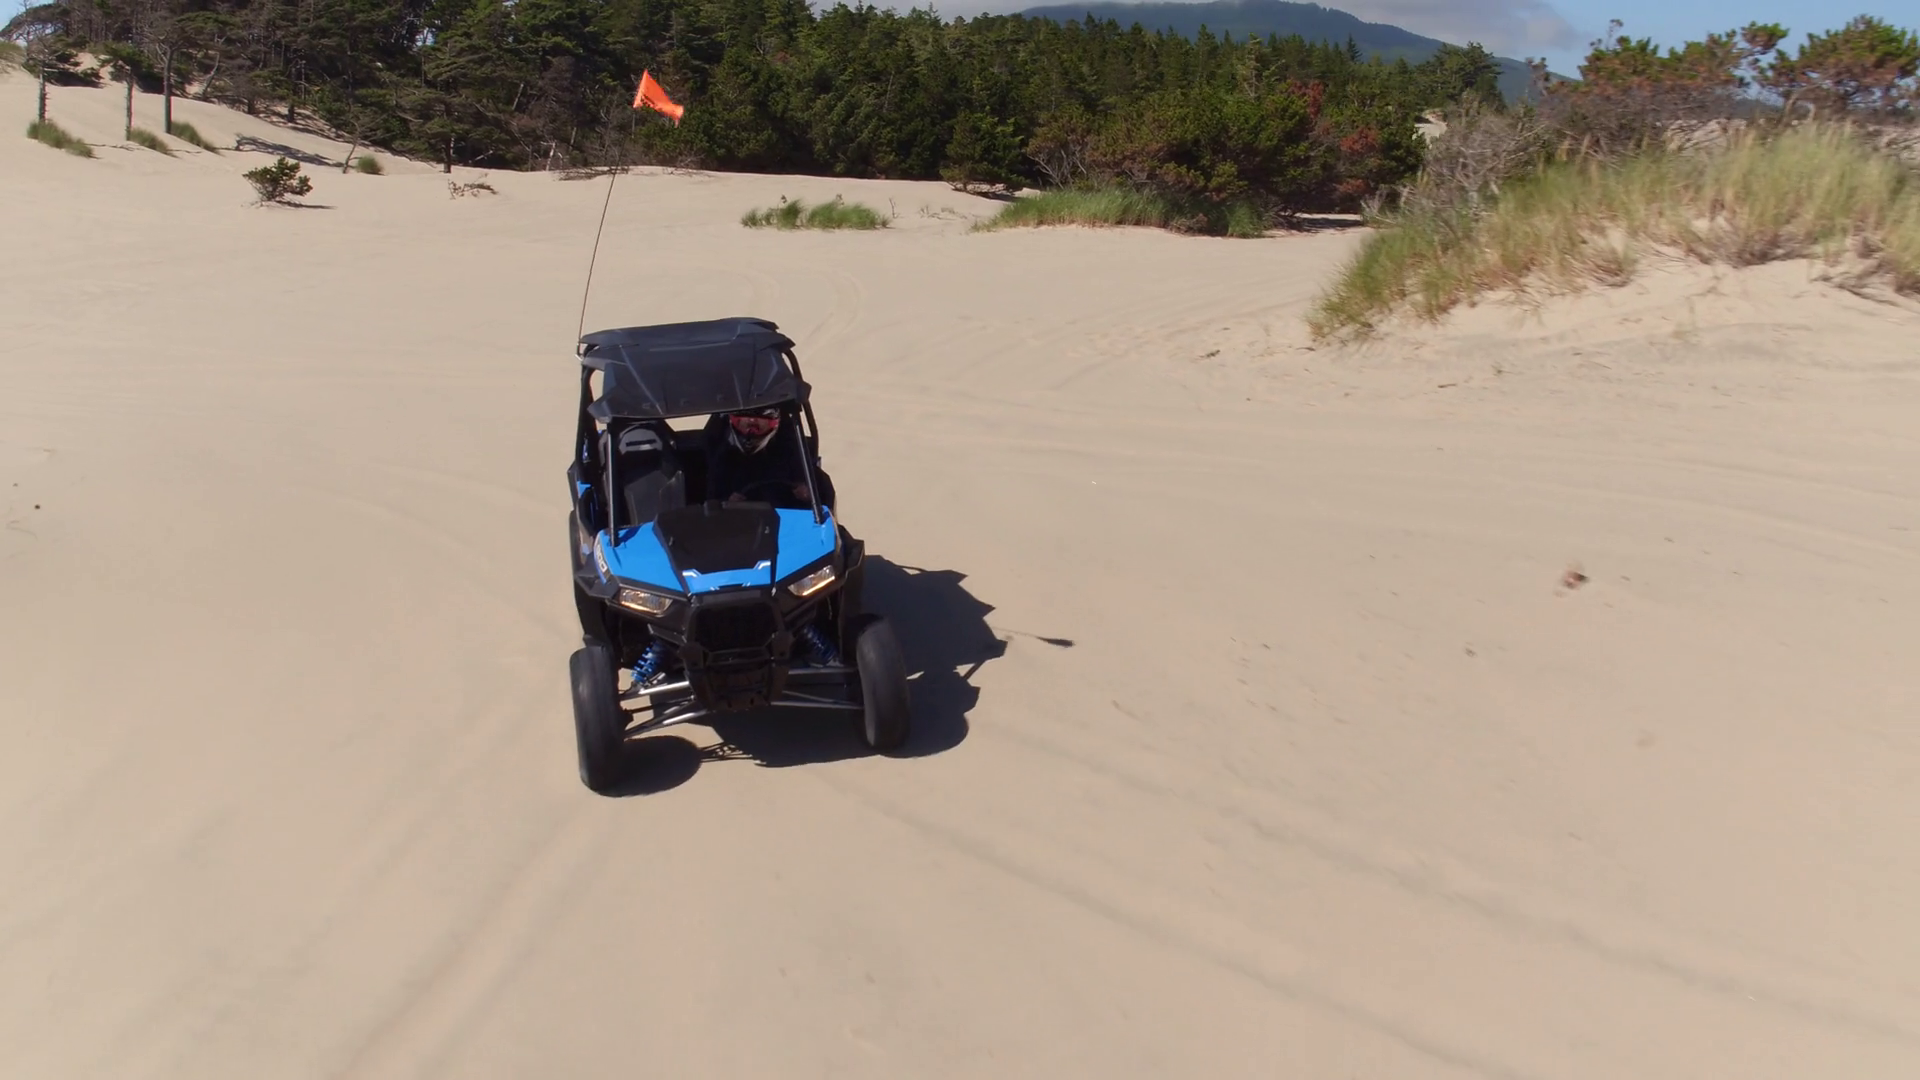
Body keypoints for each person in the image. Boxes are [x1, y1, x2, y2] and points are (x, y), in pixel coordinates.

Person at [703, 406, 835, 511]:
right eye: (745, 415)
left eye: (762, 416)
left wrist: (809, 496)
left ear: (775, 422)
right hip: (737, 530)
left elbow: (824, 499)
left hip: (787, 528)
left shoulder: (793, 454)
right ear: (733, 419)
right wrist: (726, 503)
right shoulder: (722, 458)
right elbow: (707, 503)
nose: (752, 422)